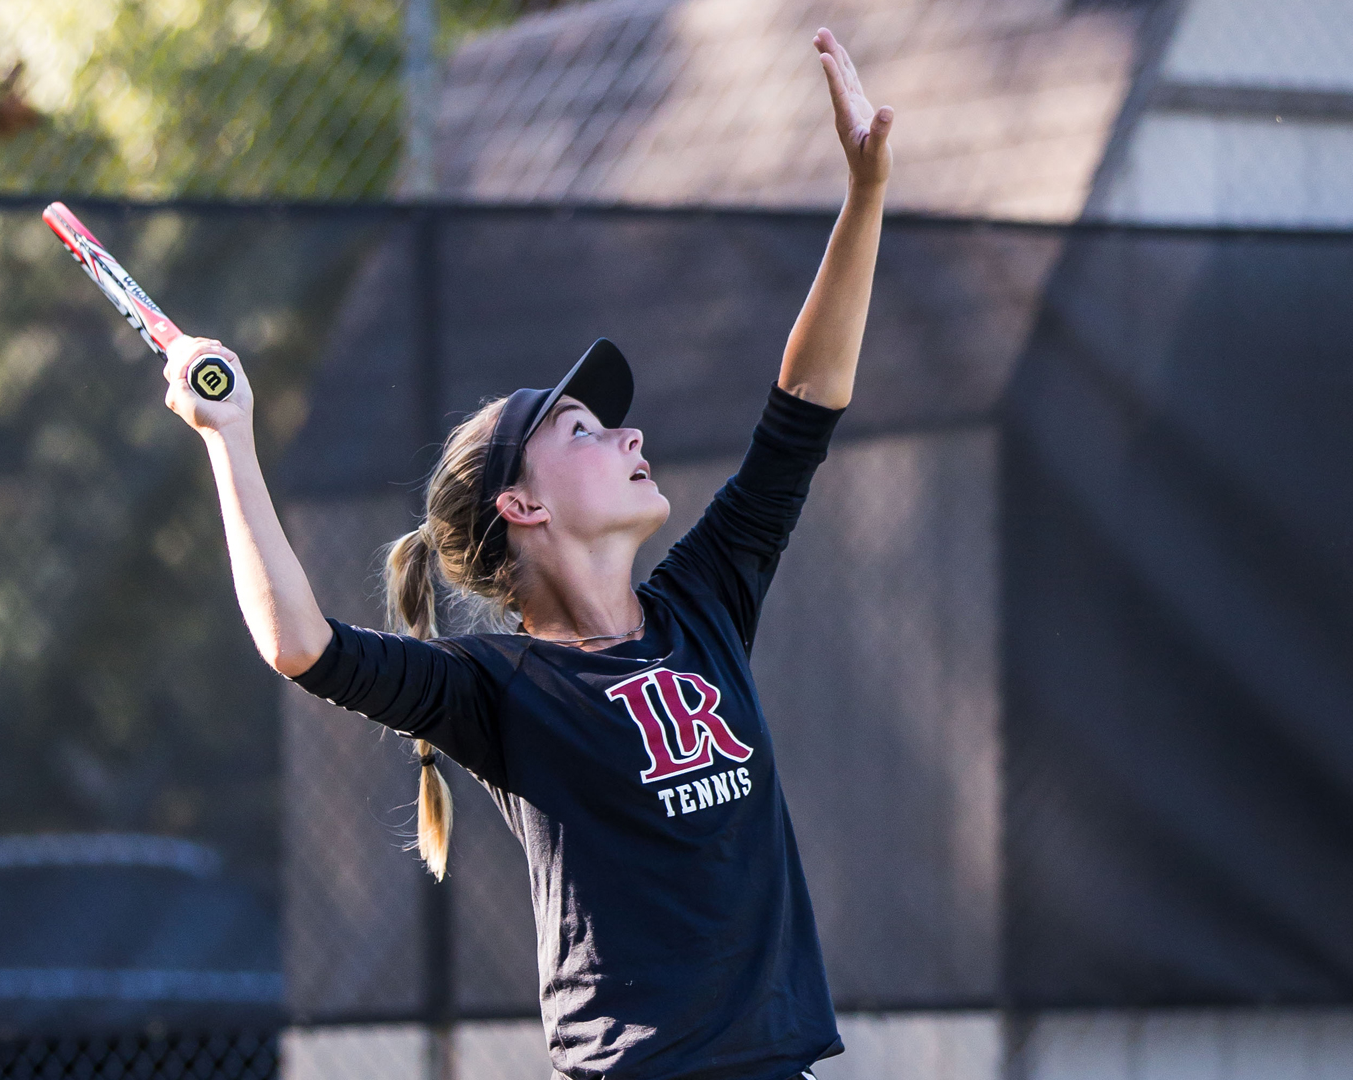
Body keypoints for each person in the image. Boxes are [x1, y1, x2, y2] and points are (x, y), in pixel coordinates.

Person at [163, 27, 893, 1080]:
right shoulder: (499, 688)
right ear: (522, 504)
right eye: (586, 433)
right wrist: (230, 442)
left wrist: (865, 192)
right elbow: (300, 643)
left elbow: (806, 402)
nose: (630, 435)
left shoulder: (706, 603)